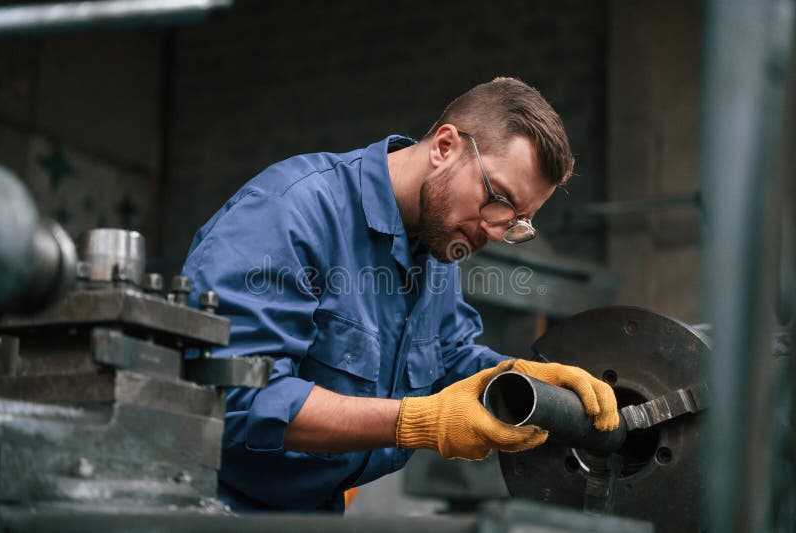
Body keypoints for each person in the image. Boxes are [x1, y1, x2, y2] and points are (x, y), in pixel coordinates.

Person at [181, 77, 620, 512]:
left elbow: (449, 362)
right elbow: (237, 400)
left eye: (516, 222)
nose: (495, 228)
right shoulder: (290, 212)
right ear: (444, 146)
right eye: (498, 199)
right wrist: (417, 422)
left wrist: (524, 379)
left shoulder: (437, 246)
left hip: (311, 515)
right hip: (205, 508)